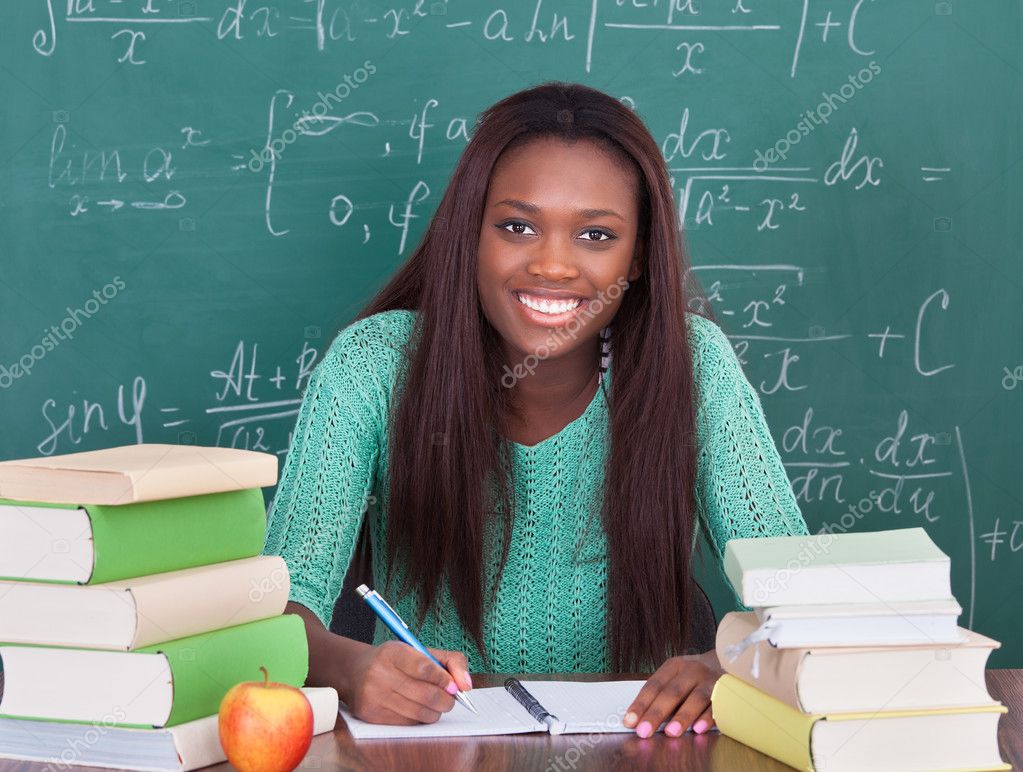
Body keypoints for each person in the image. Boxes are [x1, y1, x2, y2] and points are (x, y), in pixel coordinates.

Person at [263, 81, 809, 739]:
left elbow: (803, 600)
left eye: (595, 234)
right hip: (432, 747)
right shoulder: (372, 365)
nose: (552, 264)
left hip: (639, 748)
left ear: (635, 256)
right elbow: (281, 612)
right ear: (469, 233)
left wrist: (732, 666)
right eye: (517, 226)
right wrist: (351, 669)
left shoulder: (694, 364)